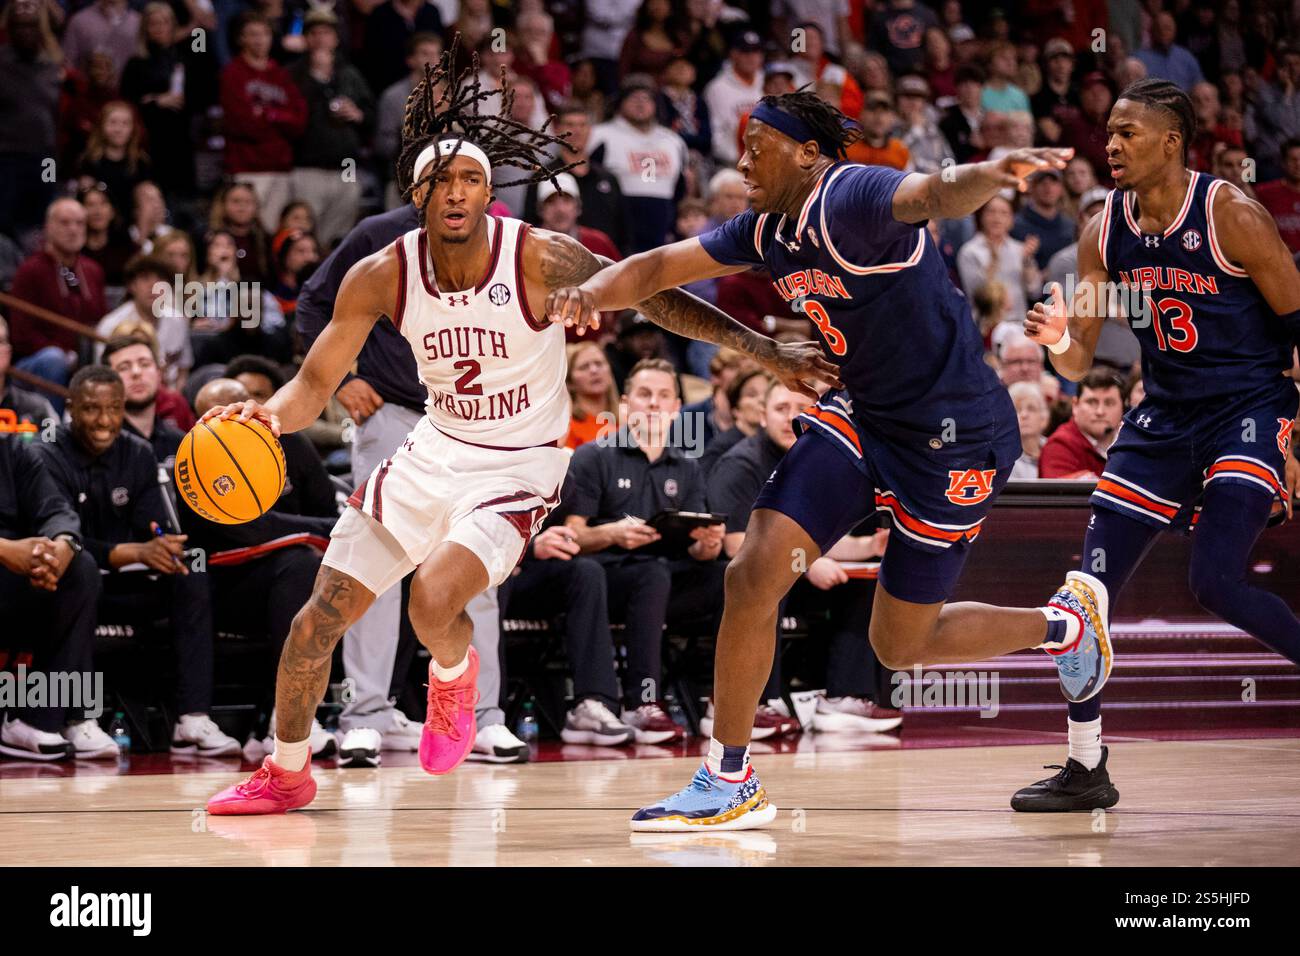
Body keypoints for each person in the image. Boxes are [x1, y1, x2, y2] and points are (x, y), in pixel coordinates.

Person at [201, 47, 821, 813]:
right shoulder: (380, 273)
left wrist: (761, 348)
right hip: (432, 447)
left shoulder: (537, 255)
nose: (455, 192)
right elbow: (312, 387)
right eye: (440, 182)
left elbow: (652, 295)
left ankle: (454, 679)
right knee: (315, 620)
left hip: (518, 464)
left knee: (433, 600)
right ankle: (288, 772)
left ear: (489, 193)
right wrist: (263, 417)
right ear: (416, 193)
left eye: (470, 181)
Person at [546, 89, 1088, 831]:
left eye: (758, 143)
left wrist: (996, 170)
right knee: (753, 570)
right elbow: (653, 270)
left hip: (952, 436)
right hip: (862, 412)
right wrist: (585, 294)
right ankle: (729, 776)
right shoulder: (767, 230)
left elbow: (933, 191)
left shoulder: (854, 194)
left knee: (900, 645)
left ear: (808, 152)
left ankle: (1062, 626)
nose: (741, 160)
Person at [1005, 79, 1300, 810]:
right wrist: (1057, 341)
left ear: (1172, 141)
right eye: (1107, 131)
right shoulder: (1104, 230)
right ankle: (1085, 765)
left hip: (1248, 409)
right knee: (1085, 596)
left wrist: (1295, 442)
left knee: (1215, 581)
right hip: (1163, 416)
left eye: (1127, 132)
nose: (1110, 144)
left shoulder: (1232, 215)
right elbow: (1080, 365)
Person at [37, 365, 240, 757]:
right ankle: (80, 718)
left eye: (115, 408)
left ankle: (192, 719)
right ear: (71, 409)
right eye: (93, 409)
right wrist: (130, 552)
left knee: (190, 567)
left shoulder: (138, 453)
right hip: (68, 583)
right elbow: (54, 537)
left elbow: (154, 530)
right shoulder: (45, 455)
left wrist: (163, 546)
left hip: (129, 583)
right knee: (80, 576)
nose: (105, 420)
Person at [562, 358, 726, 743]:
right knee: (650, 573)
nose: (654, 404)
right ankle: (642, 704)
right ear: (624, 405)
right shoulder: (594, 456)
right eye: (645, 394)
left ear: (676, 408)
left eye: (664, 396)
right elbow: (573, 536)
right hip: (609, 583)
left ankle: (726, 703)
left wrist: (707, 546)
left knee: (729, 577)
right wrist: (613, 533)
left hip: (668, 586)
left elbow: (698, 547)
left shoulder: (688, 466)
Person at [0, 430, 105, 760]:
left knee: (81, 568)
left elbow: (57, 510)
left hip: (16, 574)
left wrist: (60, 549)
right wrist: (4, 550)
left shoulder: (13, 448)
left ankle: (37, 719)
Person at [1037, 368, 1124, 479]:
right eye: (1091, 402)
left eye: (1109, 403)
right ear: (1075, 405)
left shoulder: (1133, 442)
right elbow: (1061, 494)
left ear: (1123, 408)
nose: (1100, 411)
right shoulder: (1059, 445)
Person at [1007, 380, 1049, 479]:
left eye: (1031, 408)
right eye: (1017, 409)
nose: (1024, 415)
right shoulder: (1002, 460)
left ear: (1044, 419)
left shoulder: (1057, 449)